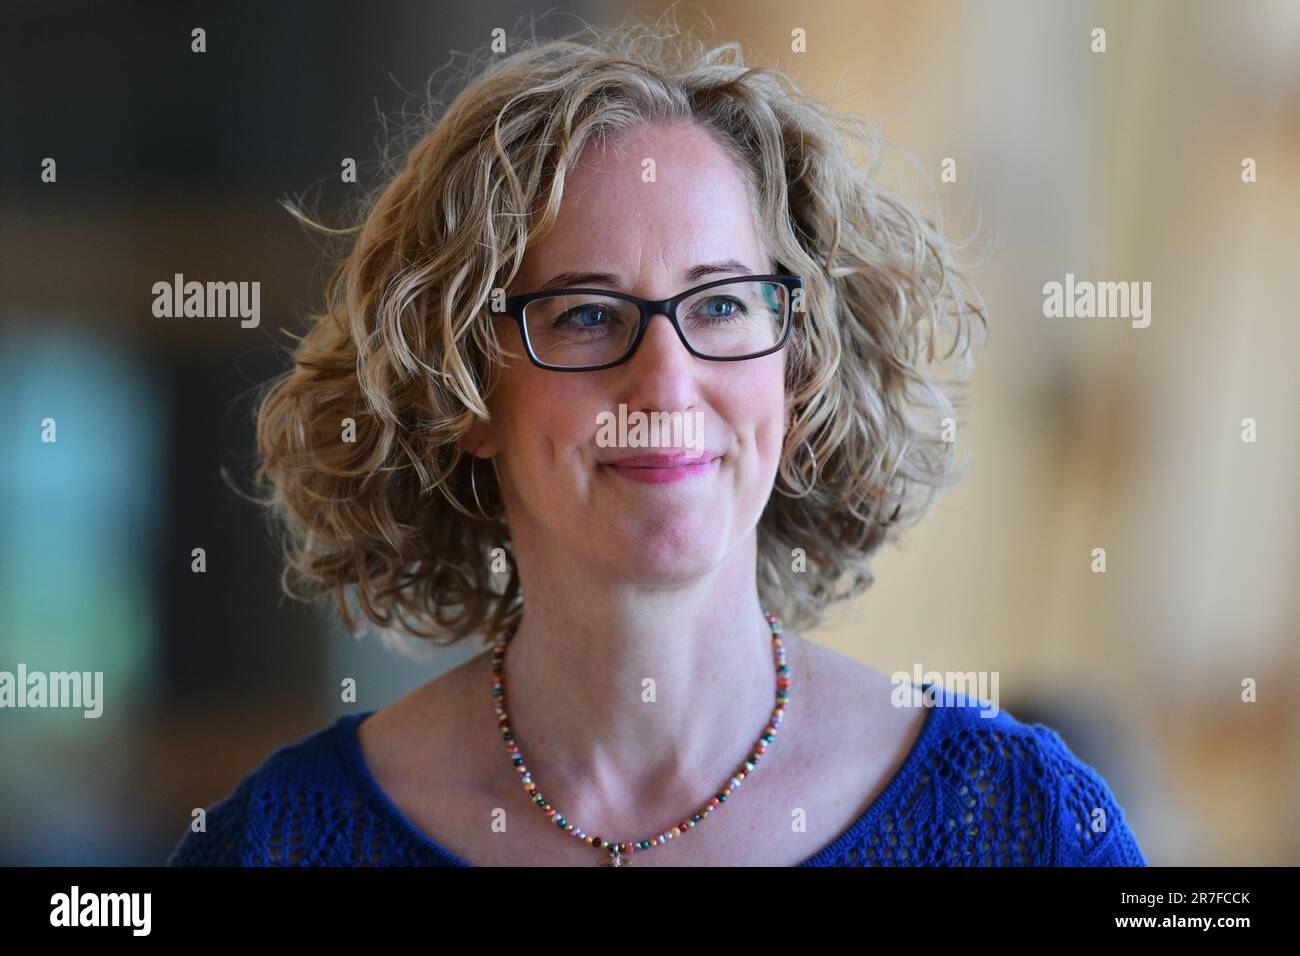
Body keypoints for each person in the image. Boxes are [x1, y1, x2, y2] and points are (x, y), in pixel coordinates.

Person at [167, 17, 1145, 867]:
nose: (667, 380)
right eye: (588, 314)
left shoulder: (1025, 825)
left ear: (796, 372)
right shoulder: (277, 840)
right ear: (460, 389)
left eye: (720, 303)